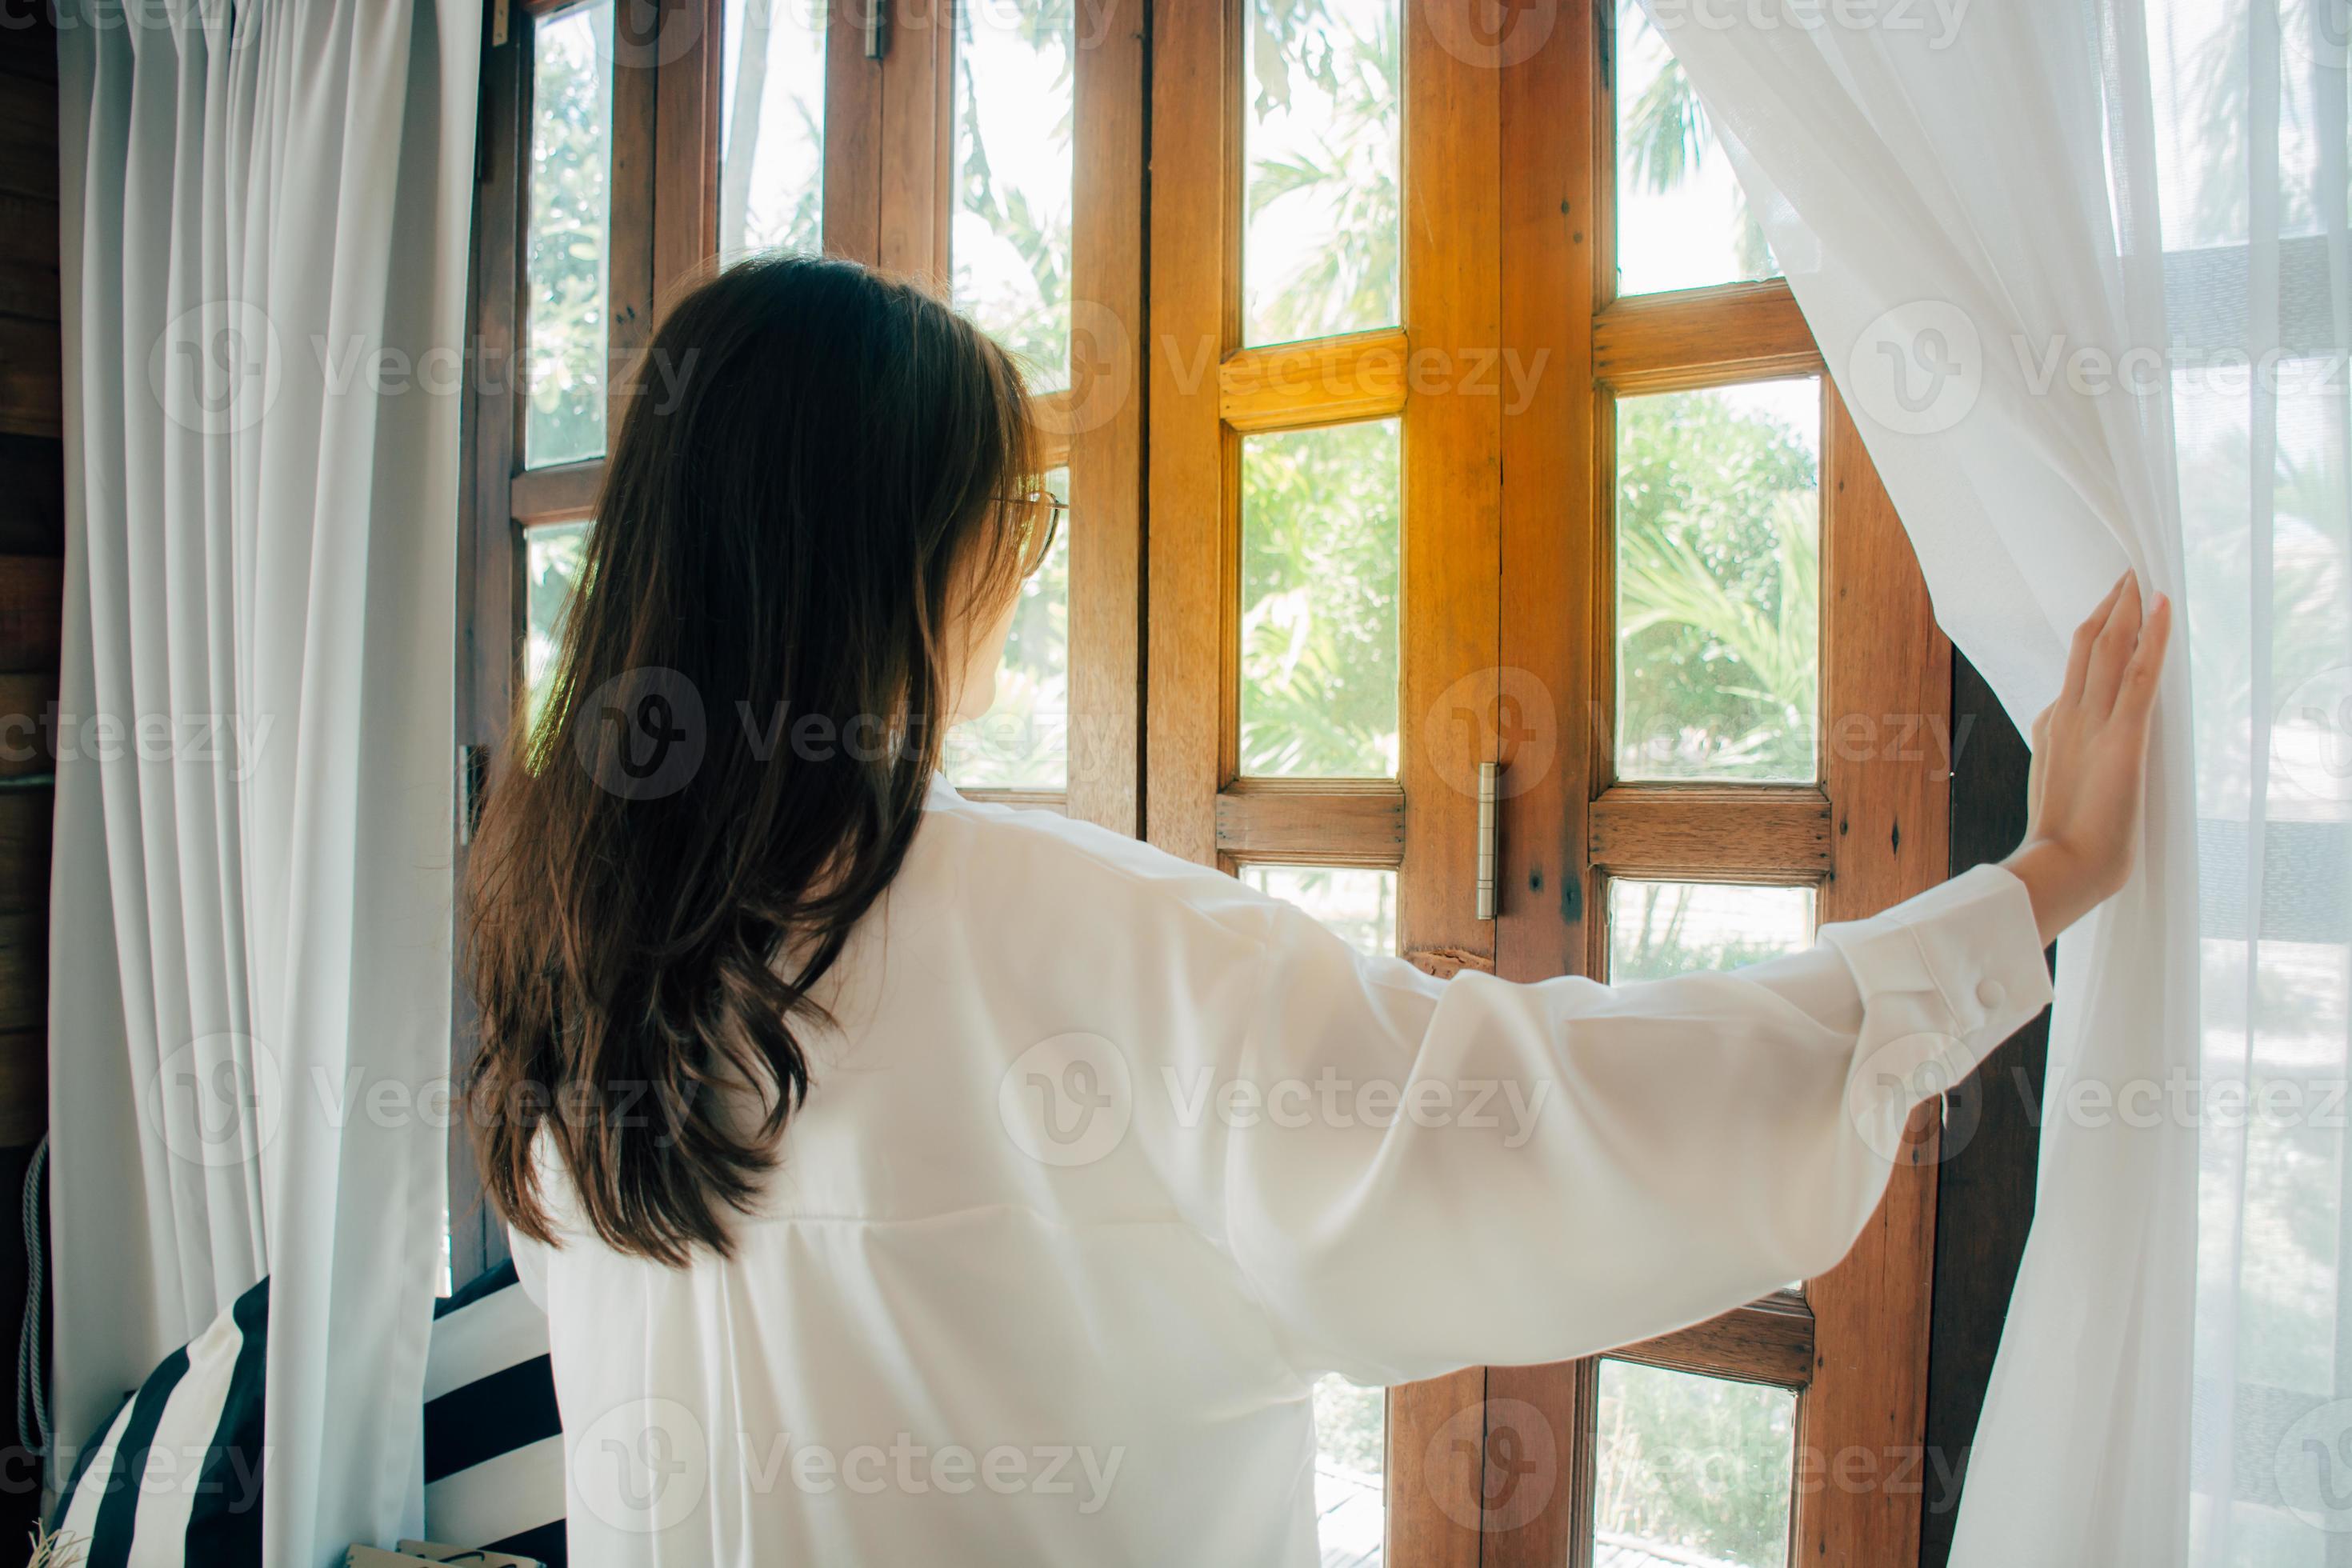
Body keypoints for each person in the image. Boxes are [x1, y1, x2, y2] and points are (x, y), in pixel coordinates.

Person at [462, 255, 2170, 1565]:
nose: (1020, 559)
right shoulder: (1075, 936)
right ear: (900, 556)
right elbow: (1537, 1122)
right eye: (1016, 515)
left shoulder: (572, 965)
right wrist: (2036, 889)